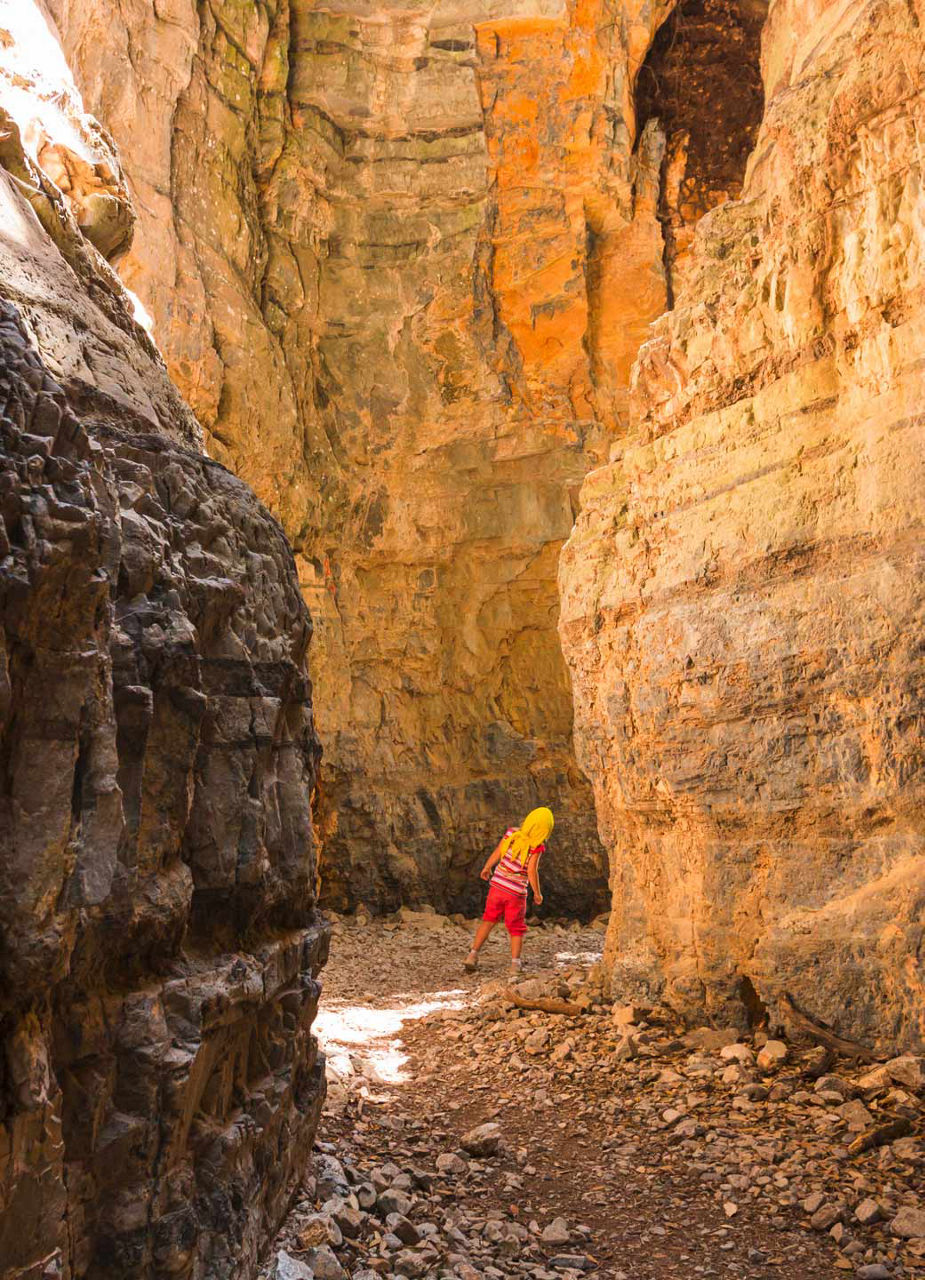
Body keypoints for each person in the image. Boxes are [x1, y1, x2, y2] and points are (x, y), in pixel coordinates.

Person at [463, 807, 553, 975]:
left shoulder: (511, 833)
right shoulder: (536, 847)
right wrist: (537, 893)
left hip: (496, 887)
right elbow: (532, 871)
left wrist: (487, 867)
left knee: (488, 920)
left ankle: (472, 955)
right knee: (516, 928)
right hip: (515, 894)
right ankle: (514, 964)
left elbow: (498, 852)